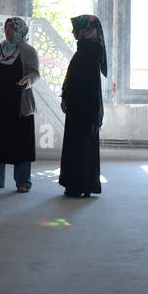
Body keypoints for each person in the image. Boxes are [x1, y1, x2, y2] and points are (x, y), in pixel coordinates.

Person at [0, 17, 40, 193]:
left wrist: (27, 81)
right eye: (6, 28)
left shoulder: (28, 51)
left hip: (19, 105)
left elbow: (35, 73)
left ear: (21, 30)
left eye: (12, 28)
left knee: (21, 143)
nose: (8, 31)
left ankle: (23, 181)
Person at [59, 15, 105, 198]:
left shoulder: (89, 51)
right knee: (81, 145)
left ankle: (78, 185)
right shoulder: (87, 50)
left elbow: (82, 82)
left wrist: (68, 97)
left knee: (80, 145)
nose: (73, 33)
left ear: (86, 30)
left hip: (83, 109)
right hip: (81, 108)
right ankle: (80, 184)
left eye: (77, 29)